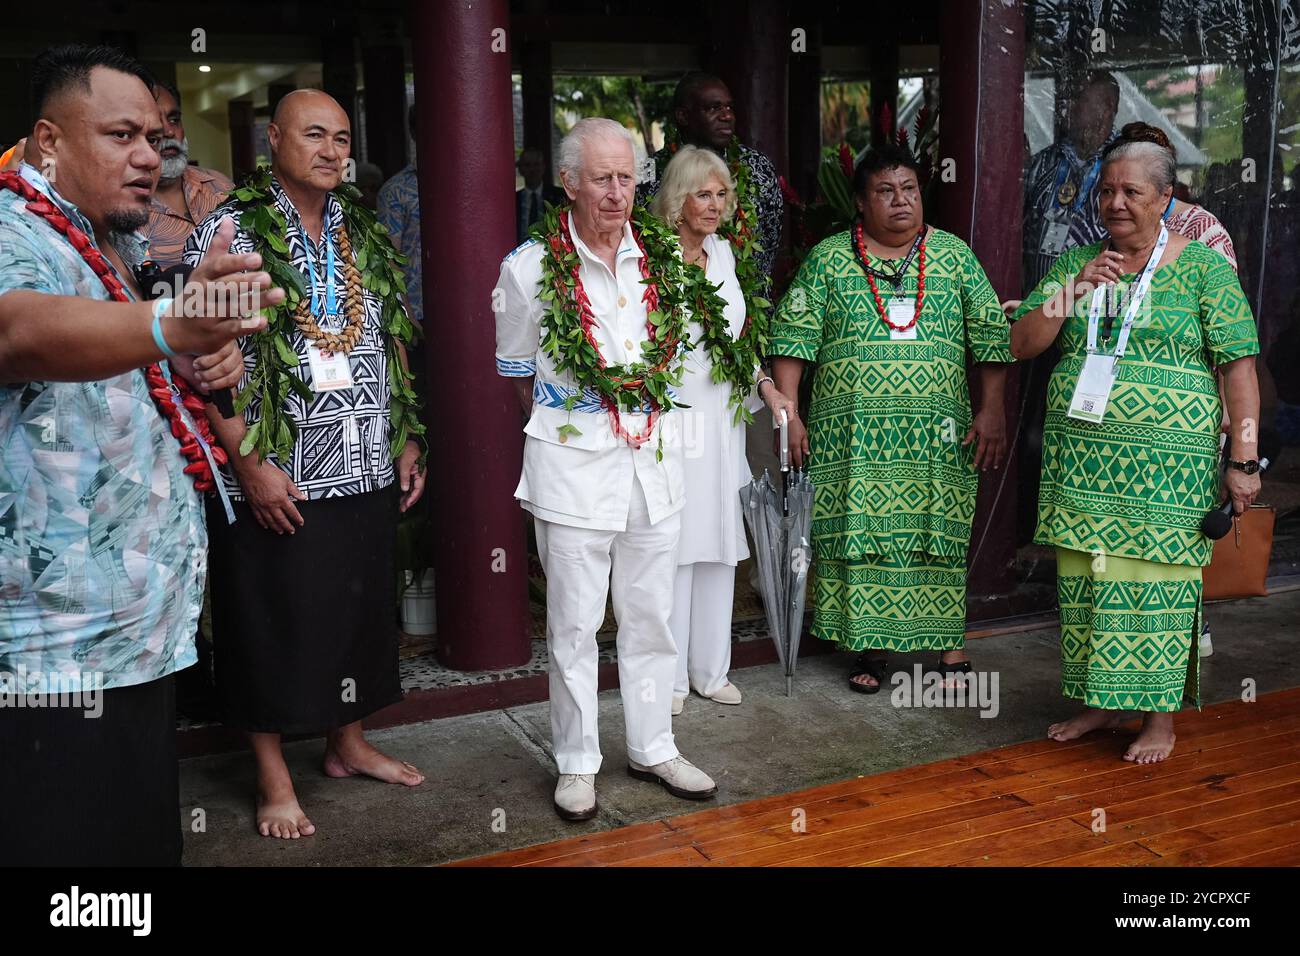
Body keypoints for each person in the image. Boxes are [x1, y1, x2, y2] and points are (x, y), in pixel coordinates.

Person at [0, 44, 269, 865]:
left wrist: (184, 355)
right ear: (48, 141)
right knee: (66, 863)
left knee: (135, 852)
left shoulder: (102, 238)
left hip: (132, 627)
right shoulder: (11, 225)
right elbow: (18, 330)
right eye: (121, 135)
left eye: (155, 136)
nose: (150, 155)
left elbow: (116, 353)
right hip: (54, 645)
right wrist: (167, 326)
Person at [185, 89, 427, 839]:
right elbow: (200, 356)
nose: (332, 150)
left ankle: (346, 743)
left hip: (361, 461)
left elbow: (389, 332)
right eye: (314, 135)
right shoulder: (233, 229)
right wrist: (247, 464)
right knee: (269, 618)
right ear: (275, 141)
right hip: (276, 469)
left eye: (343, 138)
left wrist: (406, 432)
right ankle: (271, 773)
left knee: (355, 613)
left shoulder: (359, 226)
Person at [494, 117, 718, 821]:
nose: (618, 192)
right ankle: (577, 762)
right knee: (573, 625)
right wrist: (585, 416)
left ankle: (653, 747)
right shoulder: (527, 267)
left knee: (651, 619)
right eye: (602, 178)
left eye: (627, 177)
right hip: (572, 469)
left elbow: (677, 356)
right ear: (569, 182)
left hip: (654, 464)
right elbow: (516, 371)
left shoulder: (666, 261)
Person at [1011, 137, 1261, 764]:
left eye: (1131, 192)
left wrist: (1244, 459)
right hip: (1083, 469)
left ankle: (1159, 719)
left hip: (1168, 473)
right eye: (1106, 191)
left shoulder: (1204, 267)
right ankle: (1102, 700)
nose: (1114, 204)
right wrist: (1073, 288)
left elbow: (1240, 369)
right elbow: (1022, 344)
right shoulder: (1080, 264)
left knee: (1157, 587)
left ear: (1166, 198)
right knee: (1090, 584)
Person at [769, 145, 1014, 694]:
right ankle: (870, 647)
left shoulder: (952, 256)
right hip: (850, 437)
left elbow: (992, 338)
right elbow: (792, 338)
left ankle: (950, 650)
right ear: (861, 202)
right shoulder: (832, 258)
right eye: (886, 190)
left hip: (938, 437)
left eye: (909, 189)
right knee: (863, 534)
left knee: (938, 535)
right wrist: (790, 416)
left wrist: (991, 409)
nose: (901, 200)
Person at [650, 145, 794, 715]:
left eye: (721, 195)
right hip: (670, 415)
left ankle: (710, 670)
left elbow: (737, 346)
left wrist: (768, 390)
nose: (714, 205)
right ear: (677, 197)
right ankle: (668, 680)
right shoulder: (651, 257)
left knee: (716, 538)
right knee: (674, 545)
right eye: (702, 194)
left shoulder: (725, 255)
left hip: (721, 414)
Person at [639, 72, 783, 283]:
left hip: (752, 303)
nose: (727, 116)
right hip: (676, 297)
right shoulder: (650, 171)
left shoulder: (757, 166)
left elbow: (771, 237)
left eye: (729, 107)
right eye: (713, 108)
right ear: (683, 116)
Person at [1023, 70, 1120, 291]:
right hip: (1038, 306)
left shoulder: (1122, 161)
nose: (1070, 106)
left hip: (1093, 309)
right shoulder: (1046, 162)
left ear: (1108, 107)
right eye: (1070, 98)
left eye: (1080, 99)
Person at [145, 81, 234, 268]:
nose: (168, 131)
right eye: (155, 121)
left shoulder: (219, 185)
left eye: (174, 120)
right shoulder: (125, 209)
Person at [515, 146, 564, 243]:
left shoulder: (559, 196)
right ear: (520, 169)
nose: (532, 169)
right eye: (527, 165)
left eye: (536, 164)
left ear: (543, 167)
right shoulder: (513, 199)